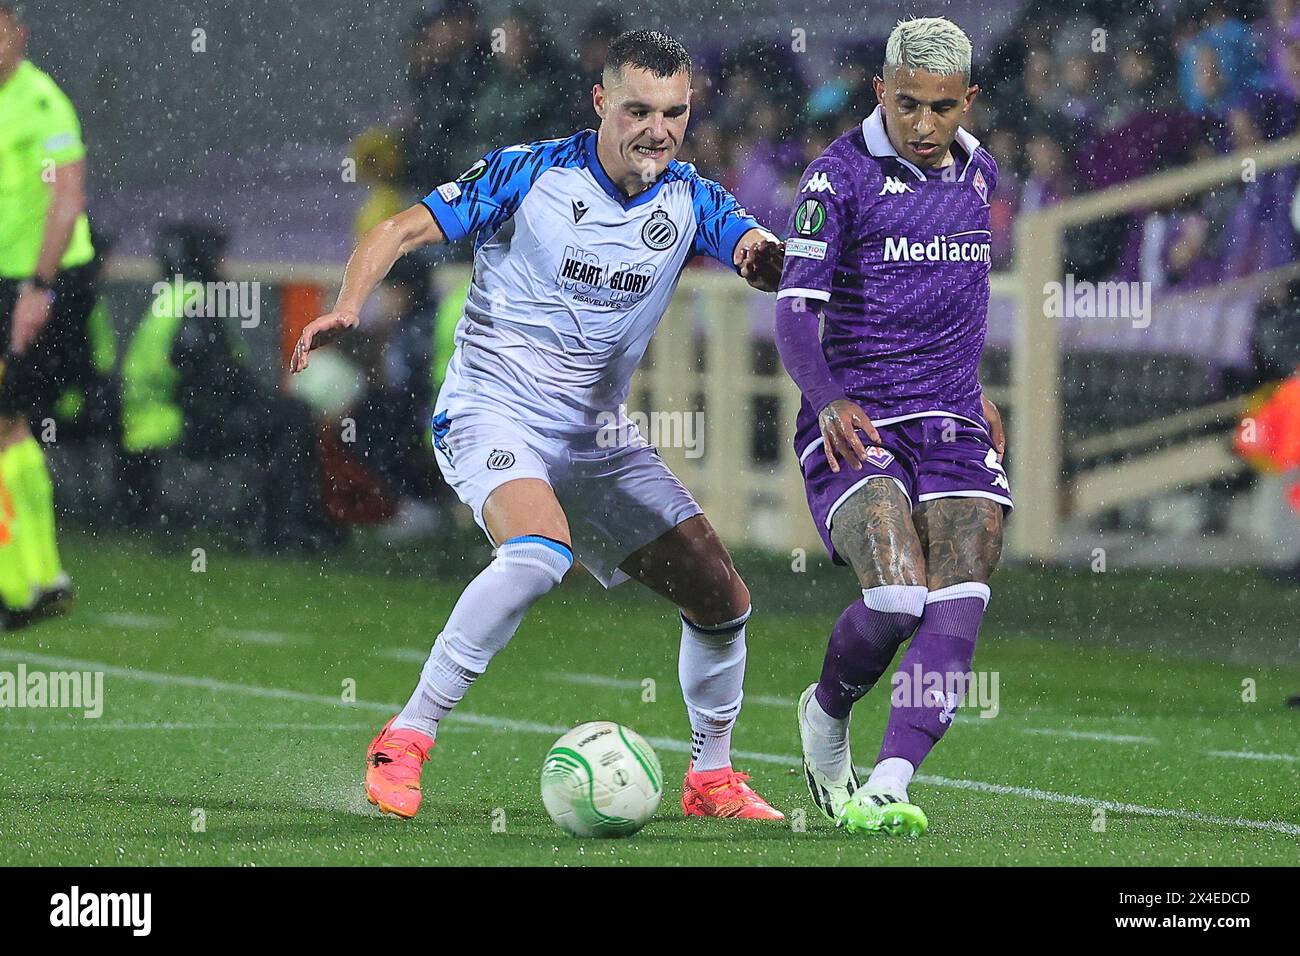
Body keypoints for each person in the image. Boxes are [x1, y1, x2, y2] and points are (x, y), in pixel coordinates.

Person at [292, 30, 787, 822]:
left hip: (593, 438)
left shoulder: (693, 196)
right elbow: (401, 230)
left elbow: (756, 248)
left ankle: (711, 777)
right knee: (536, 553)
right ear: (600, 104)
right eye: (637, 110)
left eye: (674, 112)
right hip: (492, 408)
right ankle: (406, 737)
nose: (656, 130)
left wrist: (776, 261)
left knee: (723, 597)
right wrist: (348, 305)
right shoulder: (530, 171)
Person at [776, 16, 1008, 836]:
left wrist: (970, 386)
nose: (922, 124)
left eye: (941, 108)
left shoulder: (981, 172)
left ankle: (889, 782)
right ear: (880, 91)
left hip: (951, 419)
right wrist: (829, 396)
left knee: (961, 592)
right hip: (860, 416)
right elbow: (796, 313)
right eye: (905, 104)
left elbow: (960, 292)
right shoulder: (835, 180)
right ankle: (827, 713)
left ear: (967, 100)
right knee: (898, 594)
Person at [121, 223, 332, 551]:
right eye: (217, 259)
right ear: (203, 261)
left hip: (149, 422)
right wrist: (260, 397)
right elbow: (212, 380)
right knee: (292, 418)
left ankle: (284, 522)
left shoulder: (170, 299)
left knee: (280, 415)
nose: (223, 268)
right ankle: (287, 529)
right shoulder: (197, 303)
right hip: (178, 424)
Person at [0, 1, 93, 626]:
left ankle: (19, 587)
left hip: (38, 283)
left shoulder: (43, 104)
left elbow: (67, 201)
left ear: (18, 35)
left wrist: (39, 288)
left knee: (7, 423)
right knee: (12, 427)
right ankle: (42, 575)